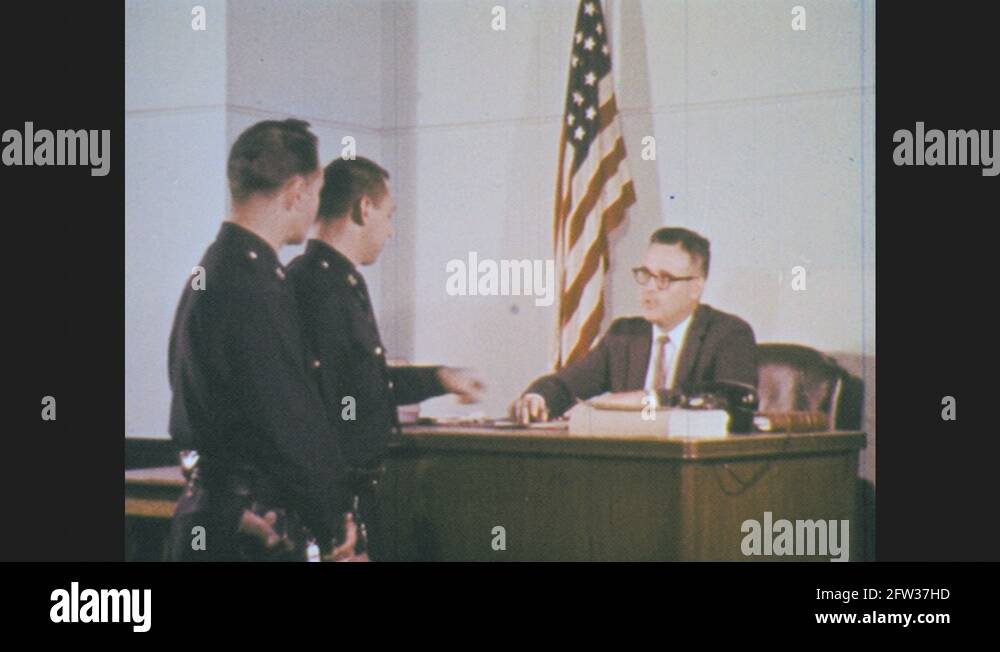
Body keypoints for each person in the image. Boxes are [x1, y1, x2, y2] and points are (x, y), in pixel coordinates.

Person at [166, 119, 357, 562]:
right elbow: (289, 419)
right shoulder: (253, 284)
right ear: (296, 191)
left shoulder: (214, 267)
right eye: (315, 192)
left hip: (220, 514)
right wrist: (336, 520)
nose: (315, 206)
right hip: (246, 533)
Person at [287, 156, 484, 560]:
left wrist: (442, 378)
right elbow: (326, 409)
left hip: (347, 496)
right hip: (332, 503)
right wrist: (334, 513)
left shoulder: (333, 279)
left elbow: (363, 381)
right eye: (389, 215)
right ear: (364, 208)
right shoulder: (319, 287)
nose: (391, 230)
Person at [511, 227, 757, 422]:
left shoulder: (729, 334)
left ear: (695, 288)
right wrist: (539, 397)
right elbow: (566, 384)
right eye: (645, 274)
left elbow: (731, 399)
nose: (649, 287)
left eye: (664, 279)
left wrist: (650, 399)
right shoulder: (624, 335)